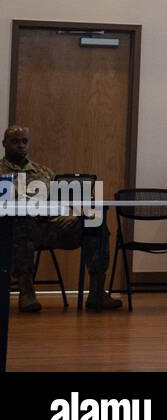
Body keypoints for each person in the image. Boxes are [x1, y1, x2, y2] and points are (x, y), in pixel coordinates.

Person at [1, 125, 121, 312]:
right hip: (12, 231)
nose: (20, 145)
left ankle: (97, 291)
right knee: (20, 219)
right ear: (4, 144)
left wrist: (74, 210)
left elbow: (62, 201)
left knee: (95, 222)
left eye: (24, 141)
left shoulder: (45, 172)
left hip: (50, 227)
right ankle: (26, 293)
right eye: (15, 141)